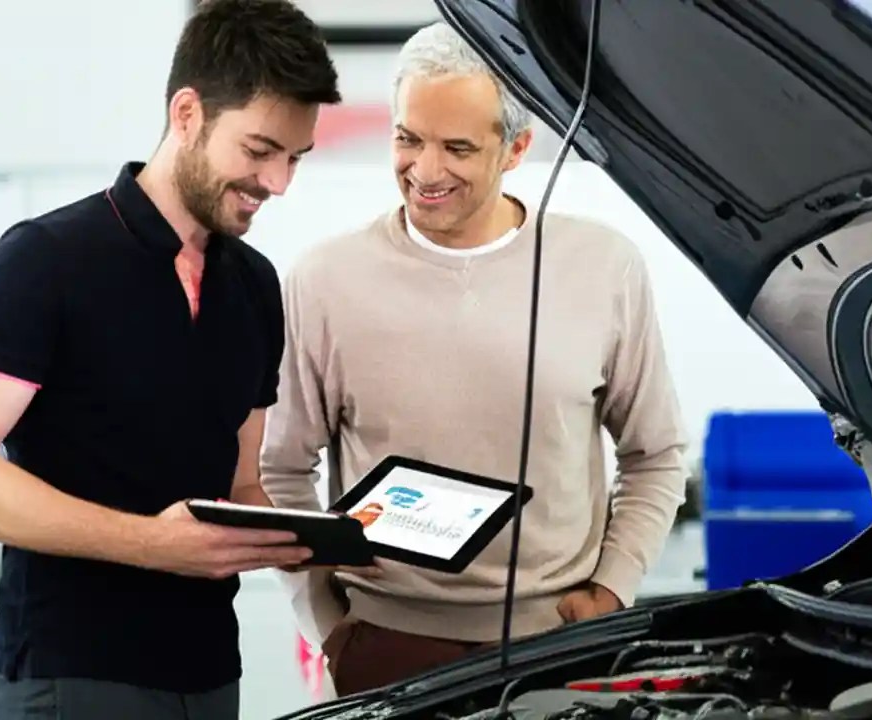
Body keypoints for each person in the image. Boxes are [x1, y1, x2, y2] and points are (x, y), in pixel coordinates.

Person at [0, 1, 340, 717]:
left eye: (294, 158)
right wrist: (152, 544)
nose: (278, 182)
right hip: (70, 675)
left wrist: (343, 540)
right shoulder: (45, 260)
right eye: (260, 150)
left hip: (210, 676)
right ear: (187, 114)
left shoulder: (255, 285)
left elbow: (242, 483)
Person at [260, 22, 690, 696]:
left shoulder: (604, 267)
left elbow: (656, 454)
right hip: (383, 646)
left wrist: (612, 587)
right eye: (408, 139)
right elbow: (281, 470)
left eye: (457, 147)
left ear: (516, 148)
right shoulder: (324, 279)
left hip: (558, 641)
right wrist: (327, 626)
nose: (426, 171)